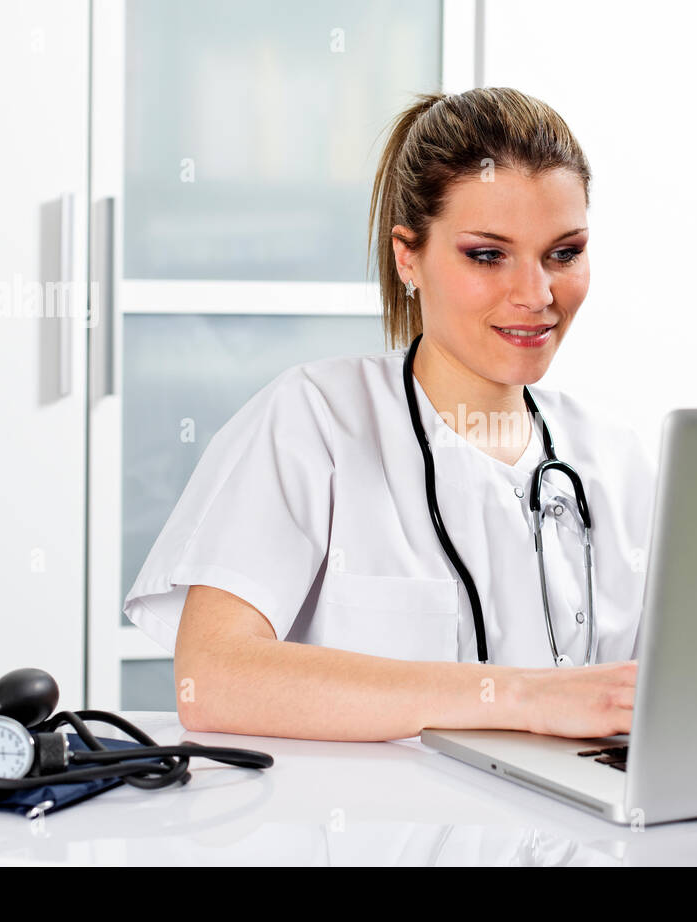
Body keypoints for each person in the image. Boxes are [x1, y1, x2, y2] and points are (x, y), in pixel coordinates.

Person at [123, 88, 655, 742]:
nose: (536, 294)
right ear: (408, 256)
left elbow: (687, 682)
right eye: (487, 255)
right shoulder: (315, 420)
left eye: (564, 253)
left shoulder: (616, 458)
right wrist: (523, 698)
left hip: (587, 811)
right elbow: (211, 679)